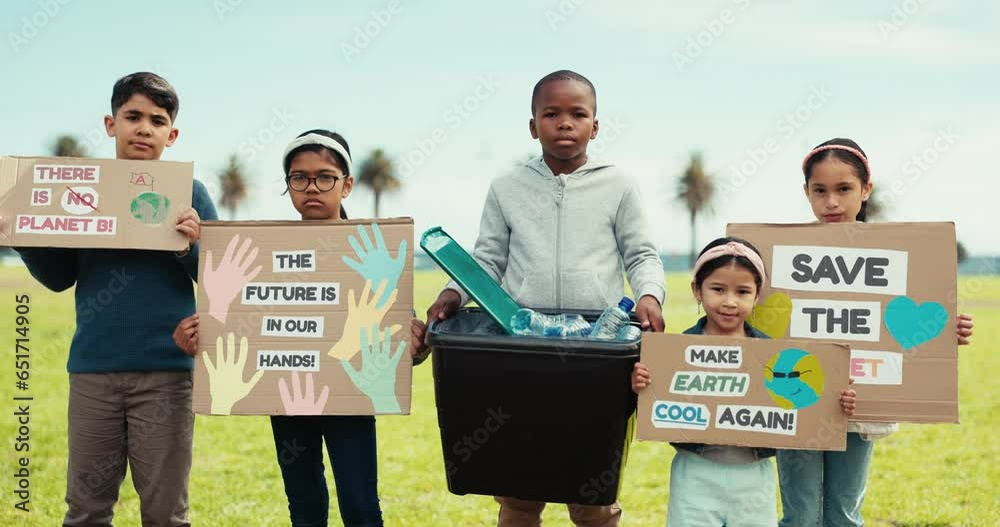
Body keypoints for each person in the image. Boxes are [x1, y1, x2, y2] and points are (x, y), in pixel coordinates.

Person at [413, 69, 666, 527]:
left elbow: (641, 253)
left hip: (596, 347)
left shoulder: (619, 185)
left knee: (592, 487)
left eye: (577, 114)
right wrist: (453, 293)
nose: (564, 123)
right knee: (518, 481)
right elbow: (486, 259)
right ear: (533, 126)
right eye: (551, 114)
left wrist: (649, 295)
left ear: (595, 125)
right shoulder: (507, 186)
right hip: (519, 345)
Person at [15, 72, 216, 527]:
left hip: (167, 375)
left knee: (166, 512)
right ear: (111, 124)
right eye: (133, 117)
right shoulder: (80, 193)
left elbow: (220, 279)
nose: (144, 128)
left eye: (157, 120)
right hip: (94, 372)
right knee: (86, 509)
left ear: (172, 133)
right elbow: (59, 279)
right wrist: (22, 237)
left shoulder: (191, 194)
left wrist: (190, 247)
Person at [776, 137, 975, 527]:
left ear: (866, 189)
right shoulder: (782, 253)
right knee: (799, 514)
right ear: (807, 193)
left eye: (844, 189)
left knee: (844, 512)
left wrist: (947, 331)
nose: (831, 201)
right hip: (798, 397)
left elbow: (905, 320)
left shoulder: (893, 254)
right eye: (820, 191)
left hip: (860, 403)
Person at [632, 237, 857, 527]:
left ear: (757, 295)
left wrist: (835, 397)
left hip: (755, 476)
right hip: (694, 473)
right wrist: (642, 383)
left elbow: (803, 401)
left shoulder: (774, 355)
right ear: (697, 290)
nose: (729, 301)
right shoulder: (677, 352)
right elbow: (655, 400)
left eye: (742, 291)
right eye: (717, 289)